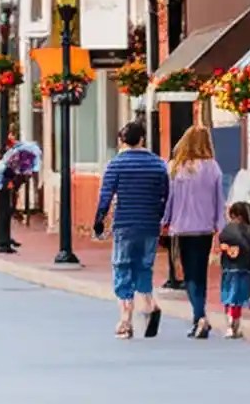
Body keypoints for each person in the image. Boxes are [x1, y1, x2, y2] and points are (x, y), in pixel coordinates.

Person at [93, 121, 170, 340]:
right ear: (142, 139)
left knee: (122, 267)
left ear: (122, 141)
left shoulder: (116, 164)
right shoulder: (158, 164)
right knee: (144, 266)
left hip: (125, 223)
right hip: (149, 224)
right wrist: (159, 216)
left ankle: (126, 319)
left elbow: (106, 195)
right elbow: (165, 194)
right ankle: (150, 303)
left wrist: (99, 219)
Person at [161, 125, 225, 339]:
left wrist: (165, 221)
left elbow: (169, 200)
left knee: (188, 275)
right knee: (200, 273)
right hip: (205, 228)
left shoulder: (175, 167)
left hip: (181, 228)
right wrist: (220, 226)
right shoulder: (213, 168)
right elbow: (219, 200)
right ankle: (200, 315)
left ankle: (199, 316)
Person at [218, 201, 250, 339]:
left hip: (228, 267)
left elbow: (221, 242)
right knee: (239, 297)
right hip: (244, 268)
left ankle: (229, 323)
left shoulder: (226, 230)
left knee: (228, 295)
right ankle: (235, 322)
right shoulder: (248, 230)